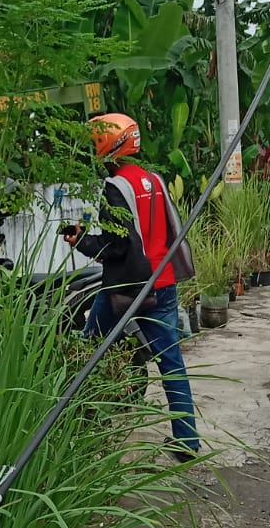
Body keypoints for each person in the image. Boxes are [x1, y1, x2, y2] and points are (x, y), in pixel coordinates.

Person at [62, 113, 200, 461]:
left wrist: (81, 241)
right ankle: (187, 442)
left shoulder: (115, 187)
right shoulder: (153, 179)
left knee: (86, 350)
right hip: (163, 283)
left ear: (108, 146)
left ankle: (73, 428)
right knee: (171, 363)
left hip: (128, 289)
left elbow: (116, 246)